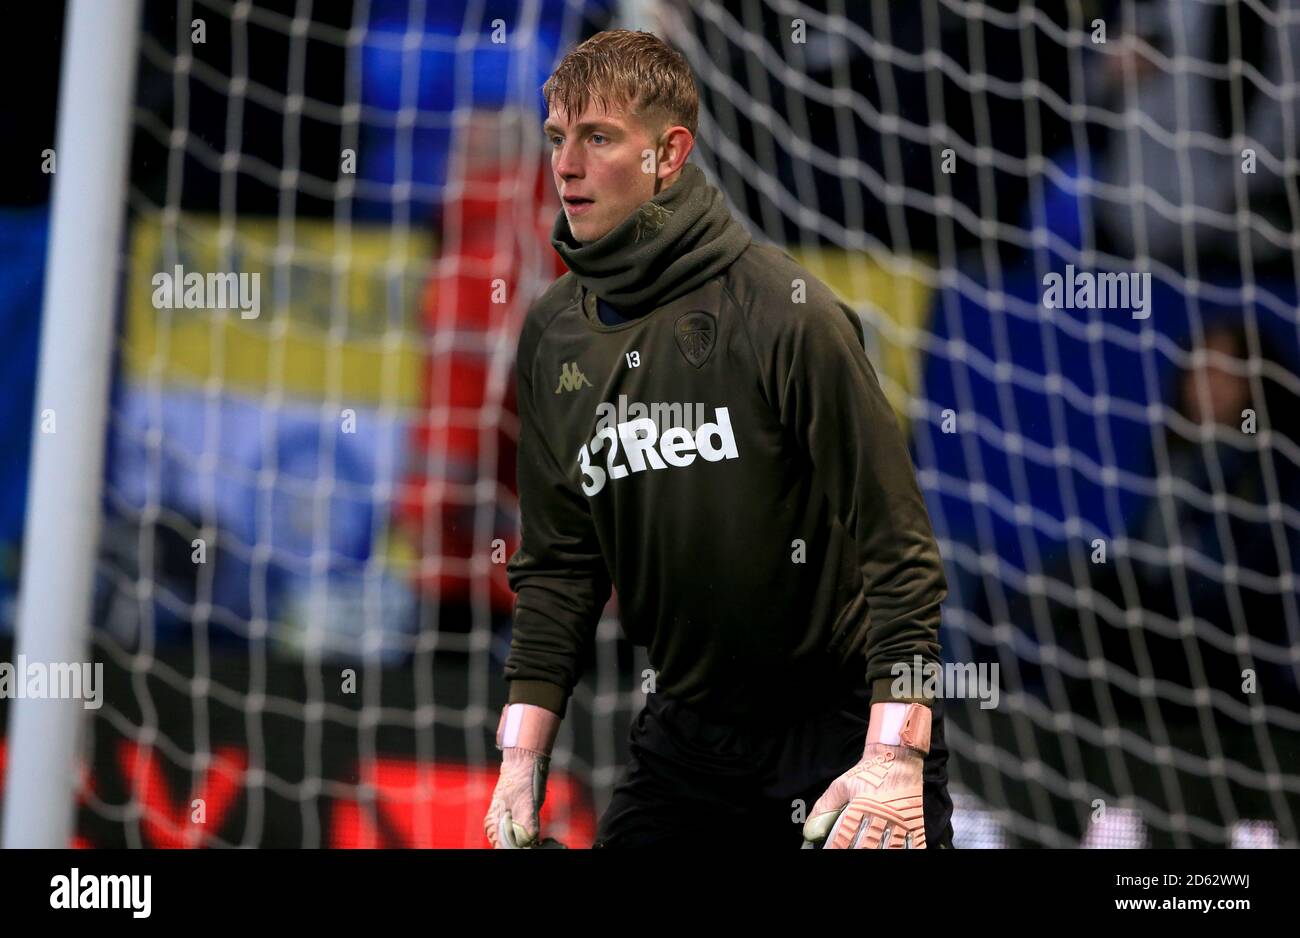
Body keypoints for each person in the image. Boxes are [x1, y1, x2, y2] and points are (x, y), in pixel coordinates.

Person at [484, 29, 954, 849]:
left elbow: (901, 550)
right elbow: (560, 566)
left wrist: (896, 753)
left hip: (844, 730)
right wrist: (520, 759)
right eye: (558, 137)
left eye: (598, 139)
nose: (565, 166)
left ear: (670, 154)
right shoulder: (553, 333)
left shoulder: (783, 311)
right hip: (689, 739)